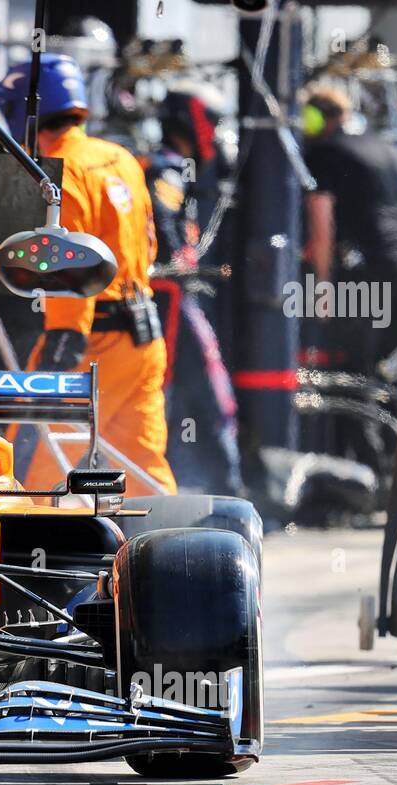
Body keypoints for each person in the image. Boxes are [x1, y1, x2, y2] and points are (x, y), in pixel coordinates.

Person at [0, 55, 176, 496]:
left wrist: (61, 345)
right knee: (142, 470)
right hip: (143, 339)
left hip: (91, 343)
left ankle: (18, 557)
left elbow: (65, 267)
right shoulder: (120, 157)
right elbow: (149, 245)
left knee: (32, 467)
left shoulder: (58, 171)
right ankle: (172, 553)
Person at [145, 85, 242, 496]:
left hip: (169, 302)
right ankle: (231, 488)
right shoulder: (165, 169)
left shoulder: (174, 168)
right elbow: (169, 249)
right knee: (208, 392)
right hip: (168, 302)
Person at [302, 85, 397, 375]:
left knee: (351, 367)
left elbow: (320, 220)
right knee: (389, 364)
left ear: (314, 118)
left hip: (364, 271)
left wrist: (323, 287)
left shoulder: (325, 152)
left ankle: (354, 420)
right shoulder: (387, 146)